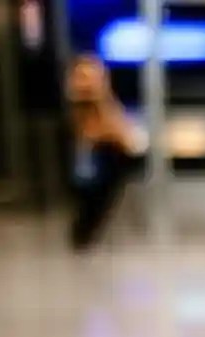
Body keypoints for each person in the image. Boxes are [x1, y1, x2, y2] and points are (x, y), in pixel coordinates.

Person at [65, 55, 147, 252]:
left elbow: (130, 140)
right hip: (87, 169)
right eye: (82, 77)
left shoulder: (107, 108)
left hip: (104, 163)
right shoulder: (71, 114)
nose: (87, 85)